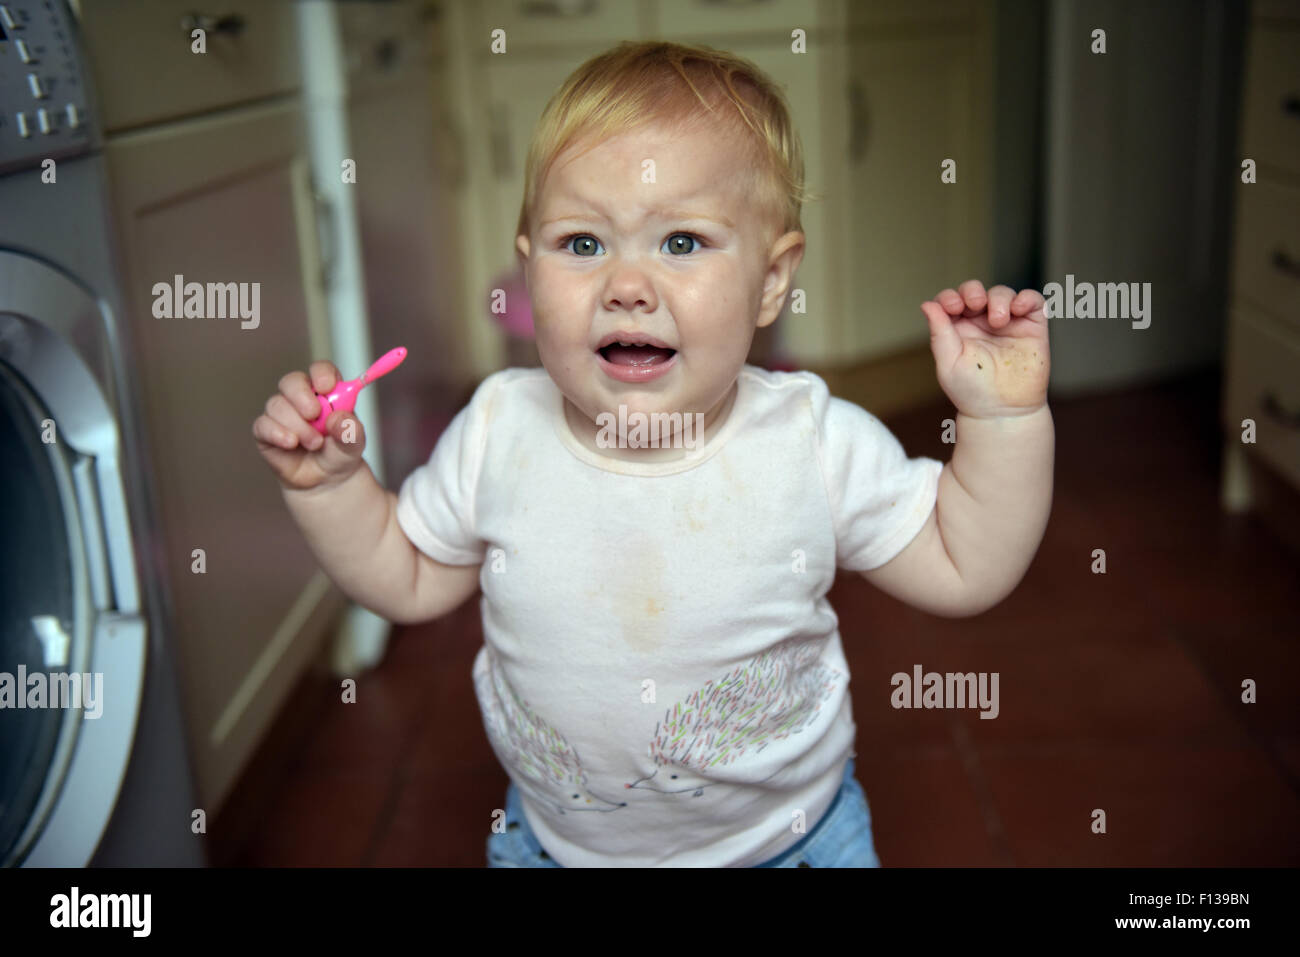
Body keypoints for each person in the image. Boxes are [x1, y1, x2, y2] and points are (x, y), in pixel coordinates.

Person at [252, 41, 1054, 867]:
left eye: (680, 242)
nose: (626, 284)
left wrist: (1002, 419)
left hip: (790, 844)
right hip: (560, 848)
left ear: (772, 280)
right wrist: (330, 490)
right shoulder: (498, 430)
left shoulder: (811, 442)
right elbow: (407, 575)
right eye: (583, 244)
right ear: (529, 274)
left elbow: (966, 565)